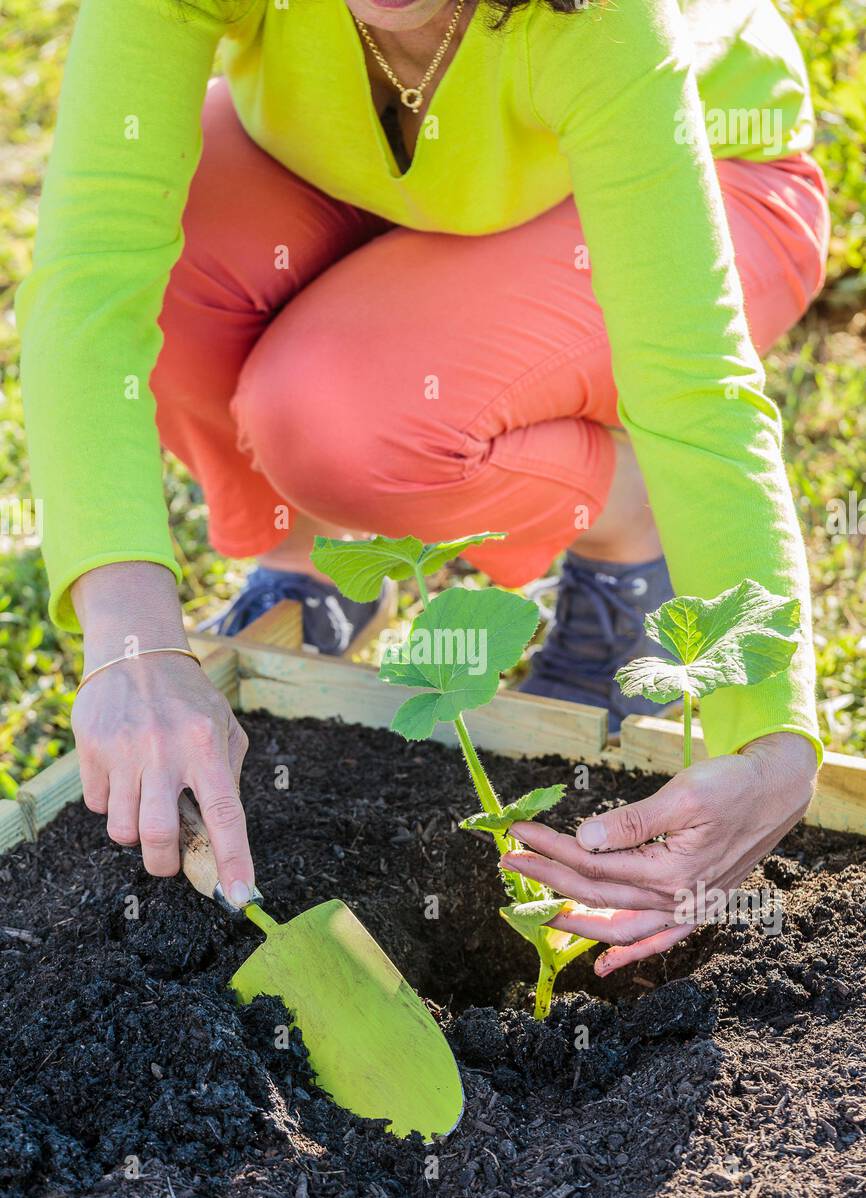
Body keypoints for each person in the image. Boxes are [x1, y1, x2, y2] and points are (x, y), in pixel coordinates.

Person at [17, 0, 827, 973]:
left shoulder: (602, 21)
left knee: (335, 415)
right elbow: (90, 277)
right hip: (364, 177)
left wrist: (771, 741)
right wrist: (129, 634)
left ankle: (624, 520)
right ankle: (318, 564)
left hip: (697, 184)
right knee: (176, 245)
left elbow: (695, 391)